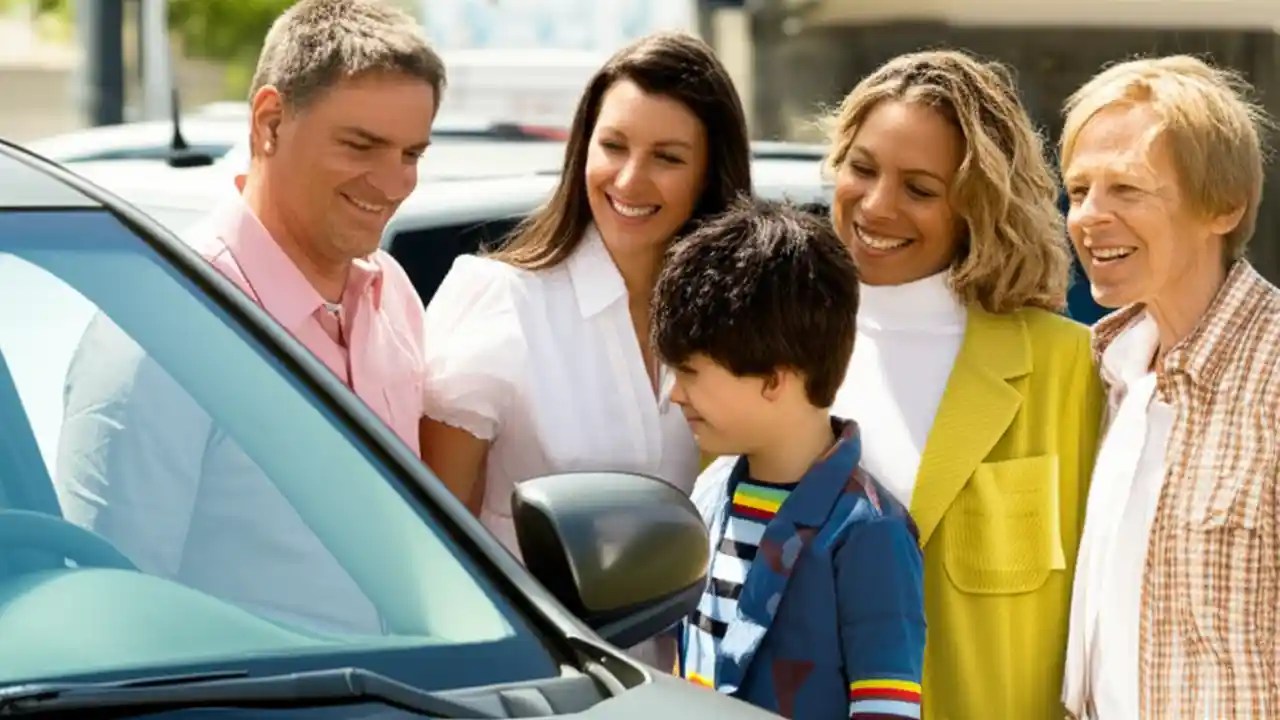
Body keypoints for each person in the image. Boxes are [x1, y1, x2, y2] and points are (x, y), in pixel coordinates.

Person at [54, 0, 444, 633]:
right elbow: (112, 616)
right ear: (269, 122)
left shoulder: (391, 294)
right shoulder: (166, 326)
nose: (394, 182)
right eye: (361, 145)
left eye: (411, 153)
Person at [417, 31, 752, 668]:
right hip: (536, 684)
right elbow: (437, 550)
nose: (630, 178)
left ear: (710, 171)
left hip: (692, 688)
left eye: (668, 157)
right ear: (582, 149)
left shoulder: (738, 323)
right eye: (614, 146)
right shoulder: (499, 300)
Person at [823, 50, 1105, 718]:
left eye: (920, 189)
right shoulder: (770, 345)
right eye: (862, 169)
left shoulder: (1073, 368)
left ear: (977, 207)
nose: (877, 205)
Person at [1060, 56, 1280, 720]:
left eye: (1126, 189)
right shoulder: (1108, 376)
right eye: (1078, 191)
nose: (1088, 218)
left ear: (1225, 206)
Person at [655, 198, 924, 719]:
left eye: (690, 371)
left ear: (775, 378)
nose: (674, 393)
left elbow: (887, 707)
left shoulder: (869, 533)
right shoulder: (709, 494)